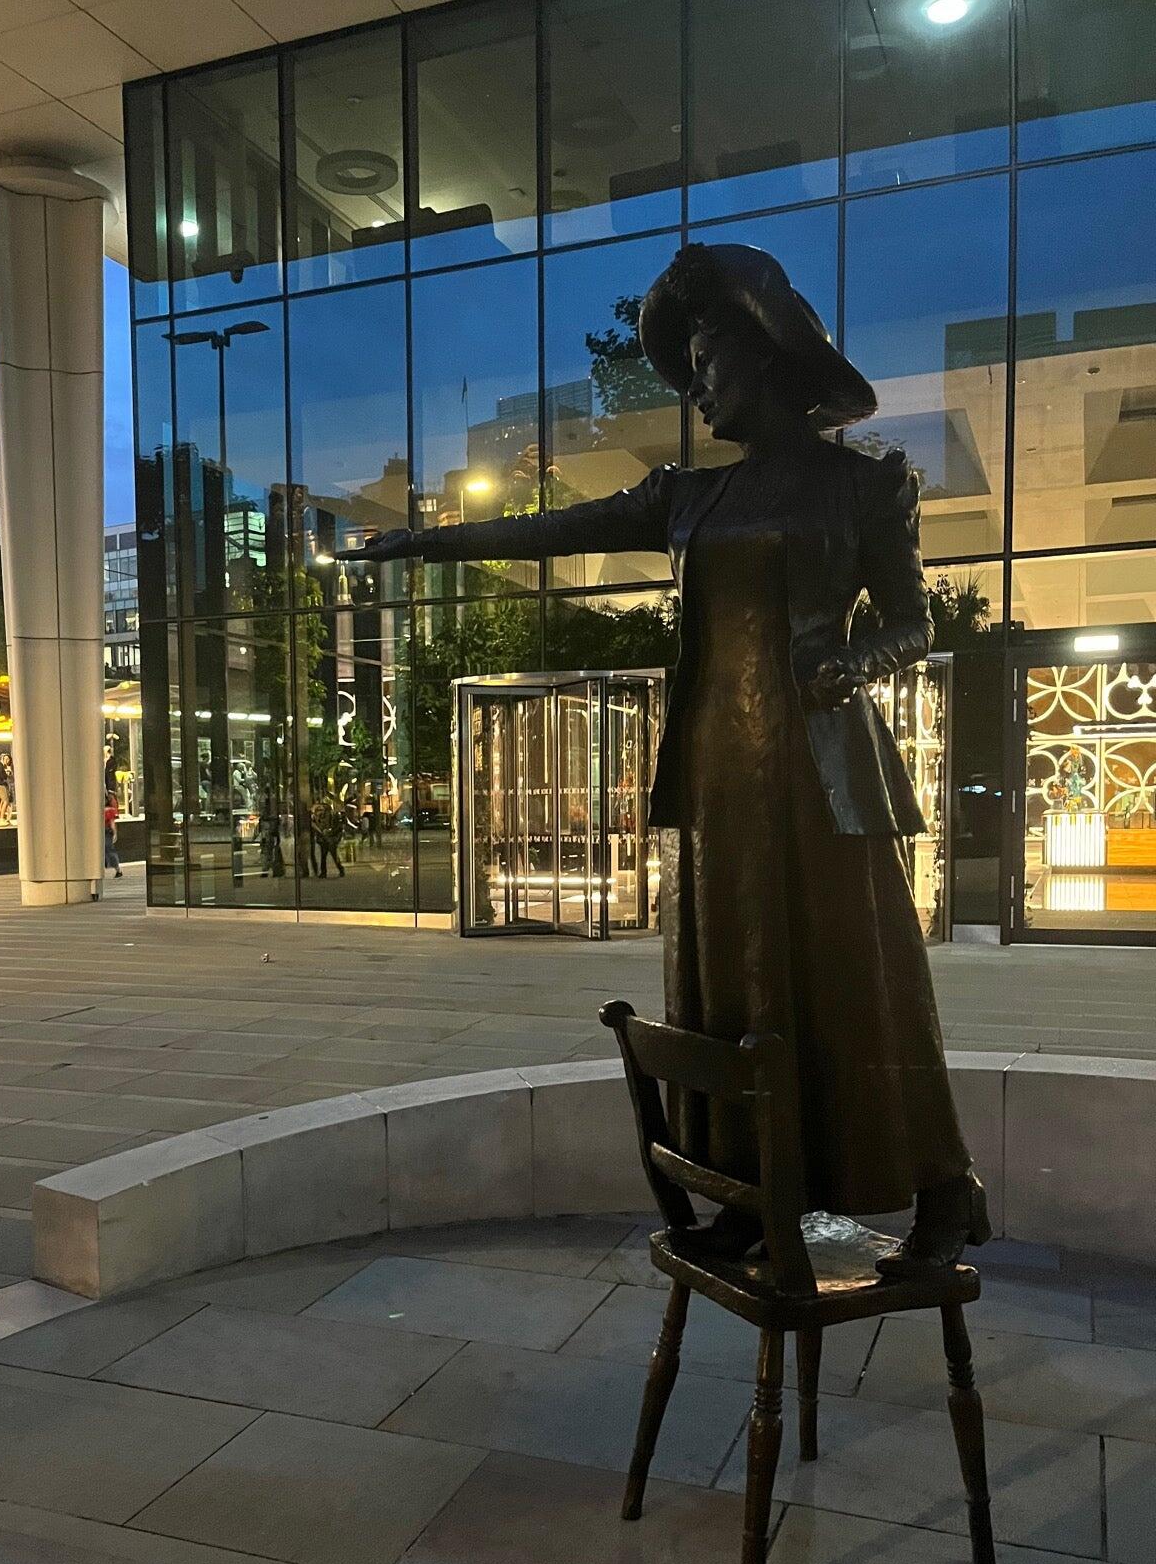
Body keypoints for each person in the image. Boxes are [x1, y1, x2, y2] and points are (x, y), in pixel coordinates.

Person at [366, 241, 987, 1274]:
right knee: (728, 990)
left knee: (860, 981)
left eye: (708, 358)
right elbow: (552, 531)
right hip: (718, 777)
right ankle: (752, 1186)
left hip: (825, 781)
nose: (695, 384)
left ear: (773, 359)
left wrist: (847, 664)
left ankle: (943, 1192)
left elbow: (914, 624)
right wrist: (425, 543)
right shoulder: (686, 497)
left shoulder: (865, 485)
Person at [103, 791, 122, 879]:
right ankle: (117, 869)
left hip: (106, 832)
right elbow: (112, 823)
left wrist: (114, 833)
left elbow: (112, 823)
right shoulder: (109, 810)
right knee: (109, 850)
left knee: (109, 850)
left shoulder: (108, 810)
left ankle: (117, 869)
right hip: (106, 831)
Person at [0, 754, 12, 823]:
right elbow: (3, 776)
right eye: (5, 759)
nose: (6, 760)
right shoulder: (0, 765)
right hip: (1, 784)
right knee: (6, 801)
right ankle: (1, 818)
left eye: (7, 759)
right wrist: (6, 774)